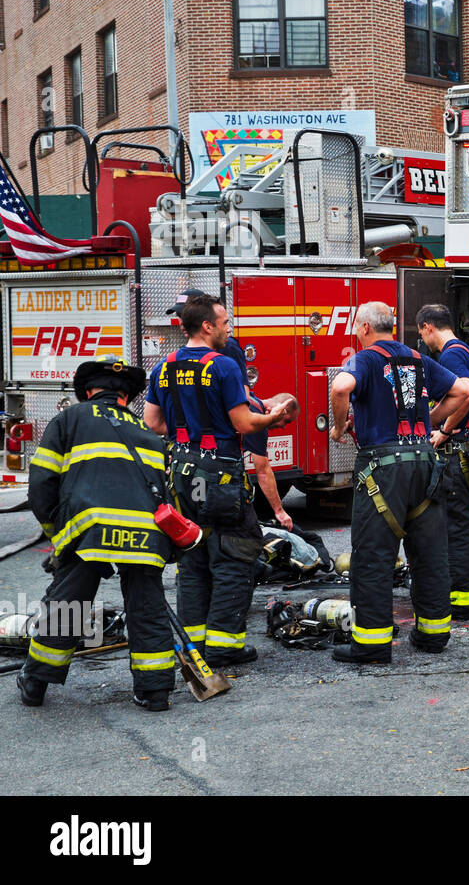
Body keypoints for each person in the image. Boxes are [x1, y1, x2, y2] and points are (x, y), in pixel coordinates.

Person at [18, 356, 178, 711]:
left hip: (88, 529)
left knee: (68, 603)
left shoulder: (68, 420)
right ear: (126, 397)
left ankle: (35, 683)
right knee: (147, 605)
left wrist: (58, 535)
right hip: (145, 533)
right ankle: (154, 693)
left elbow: (42, 485)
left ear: (88, 392)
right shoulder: (148, 434)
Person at [143, 296, 287, 667]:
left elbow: (153, 424)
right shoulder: (223, 366)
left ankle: (195, 647)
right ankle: (224, 647)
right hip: (220, 474)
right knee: (236, 554)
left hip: (182, 473)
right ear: (207, 326)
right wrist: (273, 417)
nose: (228, 328)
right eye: (224, 321)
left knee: (192, 558)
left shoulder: (163, 367)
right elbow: (243, 423)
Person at [329, 301, 469, 664]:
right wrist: (431, 420)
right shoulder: (418, 358)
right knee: (429, 553)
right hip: (425, 463)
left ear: (364, 329)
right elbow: (465, 393)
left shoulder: (365, 359)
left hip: (383, 469)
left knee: (374, 557)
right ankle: (433, 634)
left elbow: (339, 386)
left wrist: (339, 425)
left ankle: (372, 645)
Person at [417, 304, 469, 619]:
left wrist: (439, 428)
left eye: (421, 333)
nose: (423, 340)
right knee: (464, 527)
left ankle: (461, 602)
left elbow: (467, 395)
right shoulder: (468, 352)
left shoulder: (450, 355)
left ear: (429, 327)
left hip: (457, 453)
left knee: (455, 528)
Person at [167, 288, 248, 383]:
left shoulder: (227, 346)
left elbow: (242, 392)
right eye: (179, 316)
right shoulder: (170, 361)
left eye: (186, 315)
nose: (182, 322)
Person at [245, 393, 300, 531]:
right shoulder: (256, 419)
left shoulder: (251, 399)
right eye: (286, 421)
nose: (283, 427)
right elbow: (262, 471)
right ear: (278, 408)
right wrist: (279, 511)